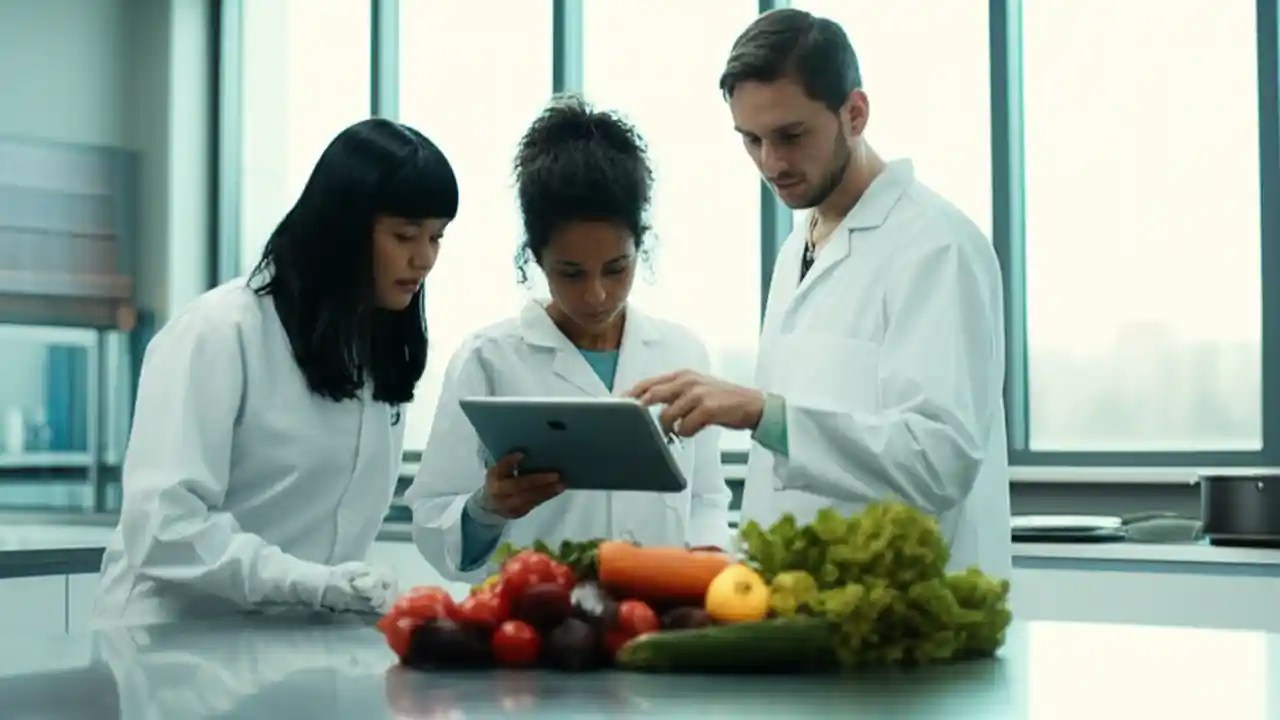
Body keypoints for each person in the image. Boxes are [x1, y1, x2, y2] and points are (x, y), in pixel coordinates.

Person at [624, 9, 1013, 579]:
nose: (771, 163)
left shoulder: (936, 247)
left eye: (791, 135)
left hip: (908, 614)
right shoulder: (797, 249)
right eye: (751, 140)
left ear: (854, 113)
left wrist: (761, 412)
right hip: (808, 604)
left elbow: (938, 459)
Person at [92, 118, 459, 626]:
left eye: (437, 237)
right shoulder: (219, 332)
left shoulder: (371, 351)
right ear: (343, 230)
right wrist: (313, 585)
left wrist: (332, 591)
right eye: (405, 235)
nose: (425, 260)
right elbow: (164, 527)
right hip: (173, 650)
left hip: (290, 648)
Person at [404, 94, 732, 581]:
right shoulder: (488, 359)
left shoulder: (682, 353)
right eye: (571, 273)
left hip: (656, 621)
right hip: (536, 628)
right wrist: (487, 507)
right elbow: (435, 521)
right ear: (536, 259)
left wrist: (706, 568)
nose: (597, 295)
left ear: (641, 245)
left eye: (617, 268)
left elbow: (706, 498)